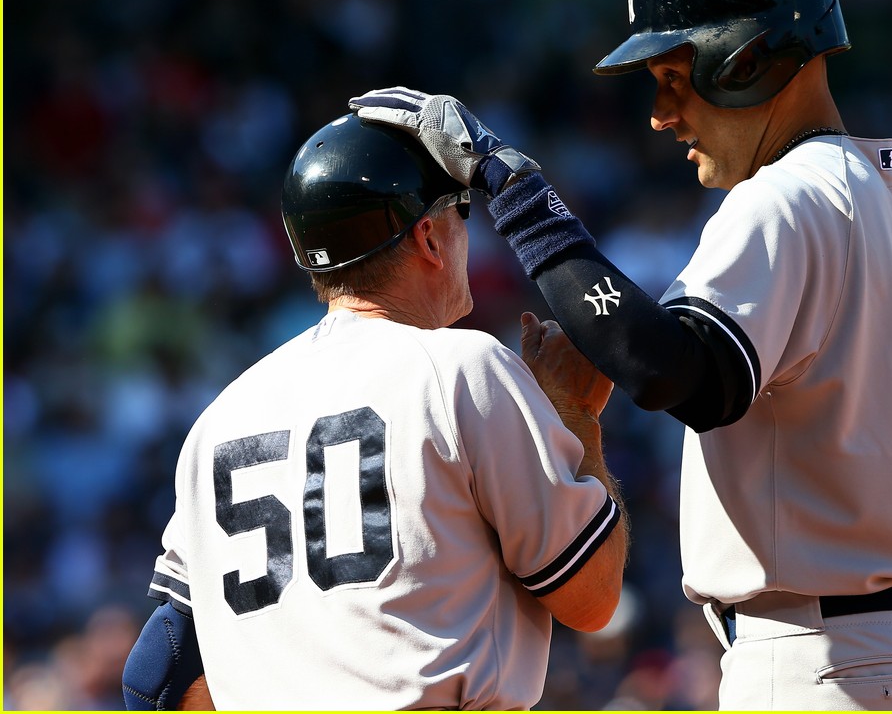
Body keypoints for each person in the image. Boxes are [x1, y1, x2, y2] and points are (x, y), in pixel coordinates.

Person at [347, 0, 892, 711]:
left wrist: (512, 184)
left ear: (747, 59)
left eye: (675, 78)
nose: (661, 116)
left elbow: (674, 368)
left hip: (824, 658)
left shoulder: (787, 196)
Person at [121, 113, 628, 710]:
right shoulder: (461, 368)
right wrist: (573, 413)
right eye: (458, 211)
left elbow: (157, 669)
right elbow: (592, 598)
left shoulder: (217, 421)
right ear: (428, 239)